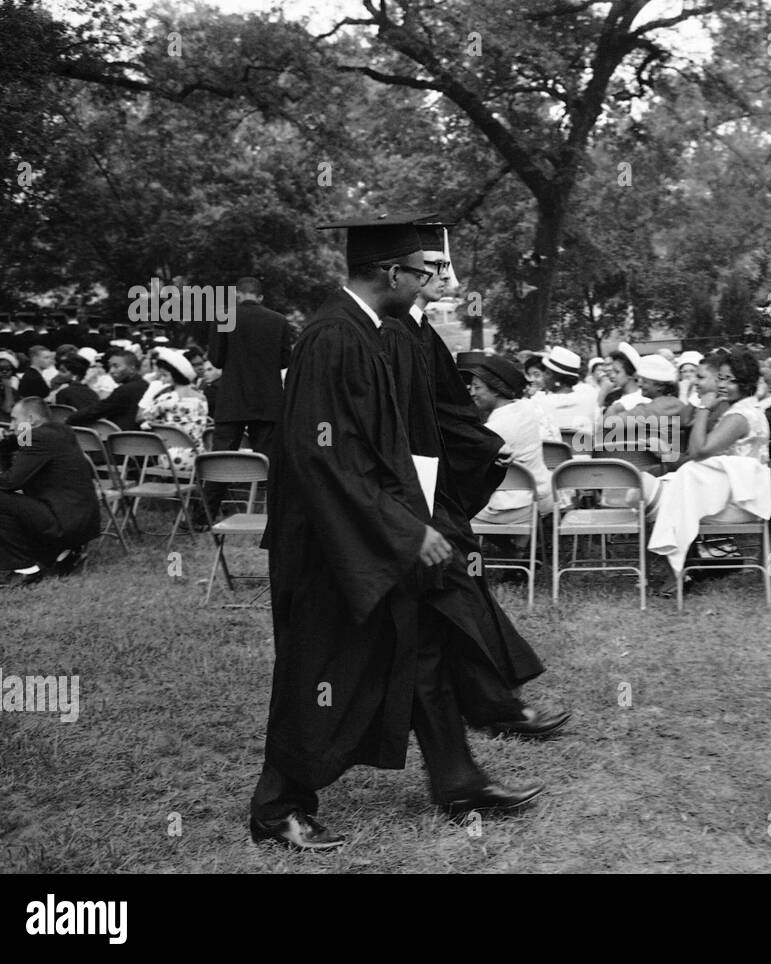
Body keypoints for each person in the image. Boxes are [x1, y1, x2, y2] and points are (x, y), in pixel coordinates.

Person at [250, 213, 546, 852]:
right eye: (420, 272)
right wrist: (404, 529)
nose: (427, 283)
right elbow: (319, 454)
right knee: (320, 668)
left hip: (371, 526)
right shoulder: (335, 337)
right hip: (331, 541)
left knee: (422, 646)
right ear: (390, 272)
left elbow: (385, 444)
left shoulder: (371, 329)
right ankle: (278, 808)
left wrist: (418, 517)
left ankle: (458, 778)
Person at [376, 214, 571, 741]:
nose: (449, 279)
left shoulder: (415, 330)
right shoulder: (391, 332)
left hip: (432, 484)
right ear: (405, 271)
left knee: (453, 597)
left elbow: (445, 410)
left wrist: (486, 453)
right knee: (451, 595)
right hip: (410, 489)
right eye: (437, 266)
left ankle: (487, 707)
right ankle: (490, 709)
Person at [644, 350, 771, 578]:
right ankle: (699, 562)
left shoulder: (740, 416)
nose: (722, 385)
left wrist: (704, 407)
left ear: (745, 384)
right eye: (721, 378)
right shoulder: (745, 410)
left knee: (650, 492)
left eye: (731, 380)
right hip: (736, 494)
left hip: (738, 504)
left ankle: (680, 571)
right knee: (655, 489)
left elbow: (697, 452)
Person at [0, 397, 99, 586]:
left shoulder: (40, 437)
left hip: (65, 522)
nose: (11, 424)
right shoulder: (60, 431)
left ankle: (25, 570)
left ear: (31, 419)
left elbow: (12, 480)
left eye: (15, 419)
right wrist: (3, 443)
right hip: (79, 519)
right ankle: (63, 554)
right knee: (0, 495)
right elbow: (20, 463)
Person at [203, 277, 291, 519]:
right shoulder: (279, 321)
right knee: (270, 462)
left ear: (237, 295)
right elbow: (286, 360)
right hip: (268, 399)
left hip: (232, 397)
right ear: (260, 297)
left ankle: (204, 516)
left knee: (220, 457)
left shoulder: (224, 317)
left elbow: (217, 359)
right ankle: (278, 516)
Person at [462, 354, 555, 524]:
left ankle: (473, 550)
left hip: (512, 506)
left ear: (496, 390)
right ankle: (513, 548)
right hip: (540, 496)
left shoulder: (493, 431)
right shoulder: (527, 407)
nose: (472, 393)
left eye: (477, 387)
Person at [138, 347, 209, 477]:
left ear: (176, 375)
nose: (163, 379)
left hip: (171, 458)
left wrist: (152, 392)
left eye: (165, 375)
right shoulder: (201, 398)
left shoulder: (167, 398)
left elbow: (143, 417)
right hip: (199, 458)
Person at [66, 351, 146, 430]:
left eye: (116, 366)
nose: (111, 371)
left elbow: (97, 411)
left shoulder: (125, 390)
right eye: (110, 366)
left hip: (122, 437)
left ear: (132, 368)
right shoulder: (145, 385)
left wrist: (70, 419)